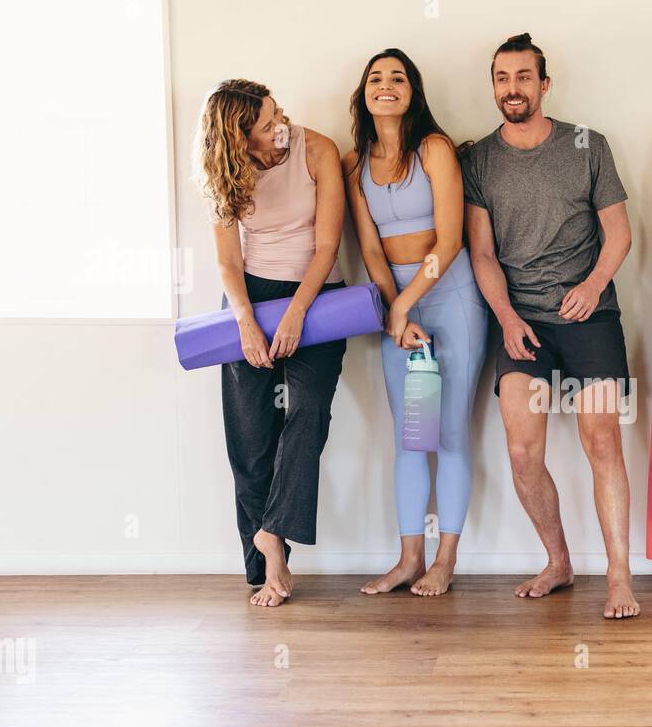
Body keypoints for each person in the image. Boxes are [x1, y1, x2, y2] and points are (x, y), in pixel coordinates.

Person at [462, 33, 639, 619]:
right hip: (523, 324)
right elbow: (482, 254)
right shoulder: (479, 160)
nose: (512, 88)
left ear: (544, 83)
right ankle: (559, 562)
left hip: (591, 318)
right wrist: (507, 317)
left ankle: (619, 577)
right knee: (521, 451)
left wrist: (591, 286)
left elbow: (620, 234)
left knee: (602, 439)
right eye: (502, 78)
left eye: (522, 77)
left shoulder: (588, 145)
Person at [193, 80, 348, 607]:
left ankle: (273, 532)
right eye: (267, 122)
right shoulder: (223, 170)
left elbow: (328, 245)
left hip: (317, 297)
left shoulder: (317, 149)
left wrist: (297, 312)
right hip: (250, 299)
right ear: (240, 139)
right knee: (250, 437)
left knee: (308, 413)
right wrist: (244, 321)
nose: (281, 124)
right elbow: (228, 260)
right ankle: (265, 568)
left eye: (278, 111)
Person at [343, 49, 488, 597]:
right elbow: (371, 249)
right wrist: (394, 310)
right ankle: (409, 560)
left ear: (412, 91)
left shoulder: (434, 149)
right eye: (376, 78)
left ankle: (445, 560)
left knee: (448, 434)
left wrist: (405, 304)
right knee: (410, 437)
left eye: (397, 77)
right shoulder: (354, 165)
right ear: (364, 94)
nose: (386, 85)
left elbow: (449, 241)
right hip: (397, 308)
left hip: (451, 297)